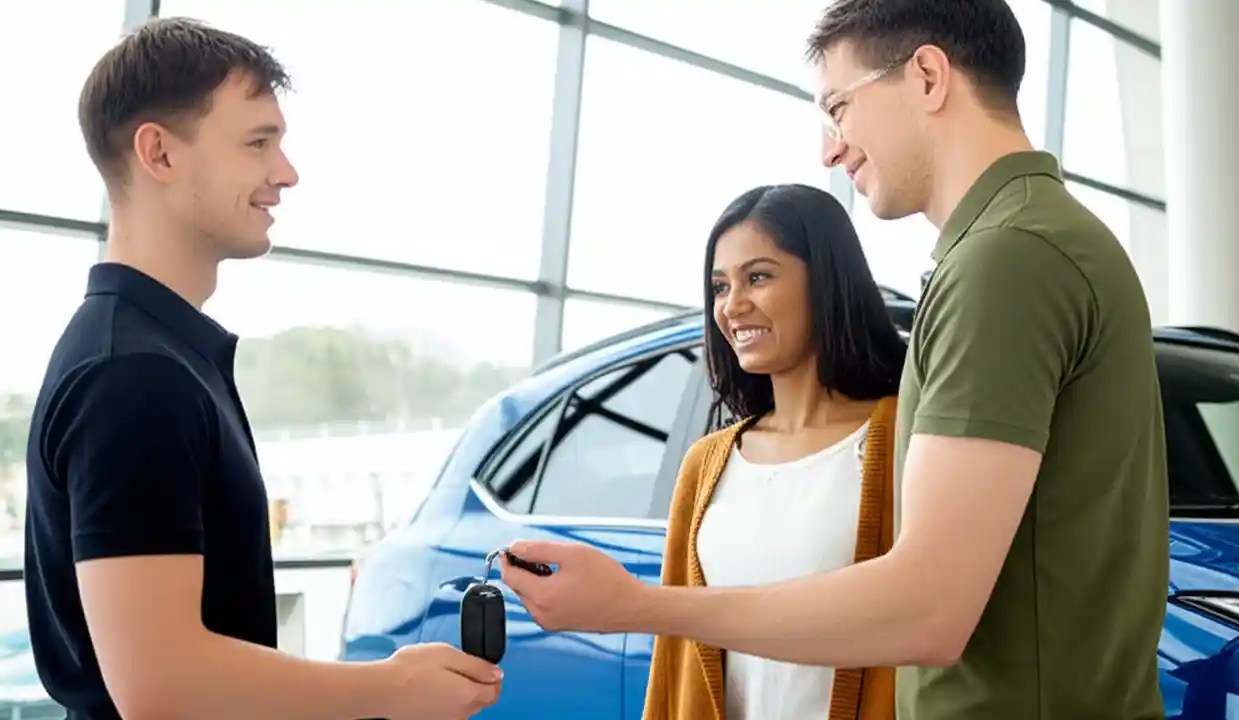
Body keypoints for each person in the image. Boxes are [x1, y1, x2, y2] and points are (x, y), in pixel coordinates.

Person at [499, 1, 1169, 719]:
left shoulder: (1006, 261)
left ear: (928, 76)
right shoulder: (1049, 239)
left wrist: (634, 603)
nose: (831, 149)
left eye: (840, 107)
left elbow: (927, 609)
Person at [24, 17, 501, 720]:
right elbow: (161, 685)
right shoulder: (133, 376)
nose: (286, 172)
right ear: (158, 153)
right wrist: (391, 689)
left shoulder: (157, 357)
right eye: (257, 143)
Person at [643, 184, 905, 720]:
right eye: (720, 286)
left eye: (757, 277)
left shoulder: (901, 436)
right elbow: (671, 666)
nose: (731, 305)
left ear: (825, 280)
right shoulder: (706, 464)